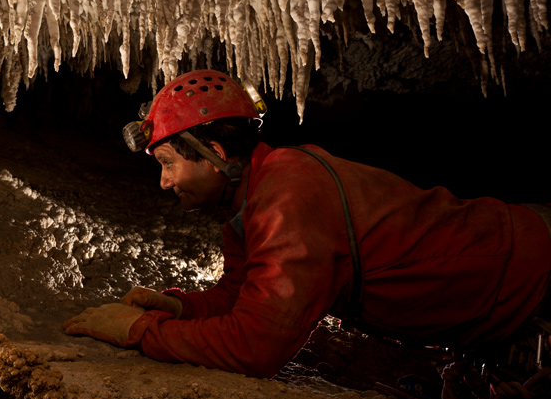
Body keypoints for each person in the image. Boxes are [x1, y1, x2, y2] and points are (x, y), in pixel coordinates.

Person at [63, 69, 551, 380]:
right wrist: (179, 306)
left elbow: (257, 345)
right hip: (512, 290)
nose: (165, 182)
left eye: (168, 163)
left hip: (536, 279)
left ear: (213, 154)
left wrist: (141, 331)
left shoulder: (287, 195)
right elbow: (240, 296)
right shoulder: (249, 204)